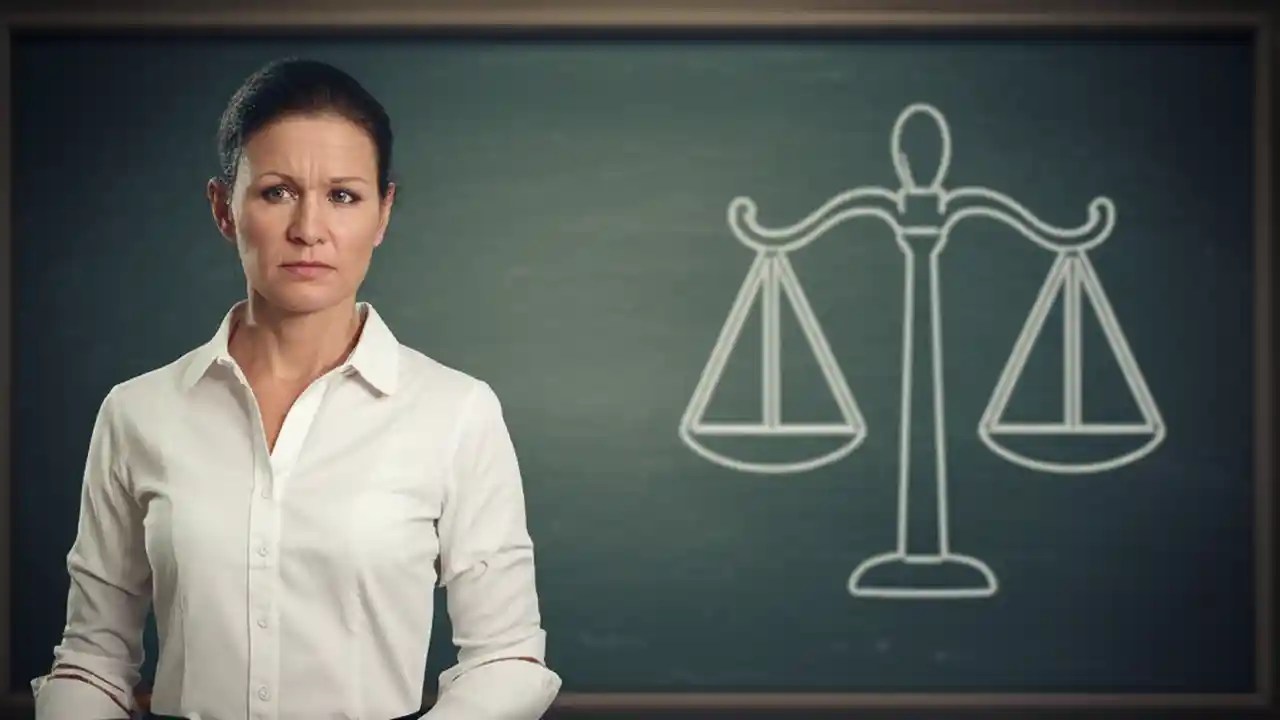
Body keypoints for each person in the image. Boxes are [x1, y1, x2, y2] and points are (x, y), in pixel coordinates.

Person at [30, 57, 561, 720]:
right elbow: (93, 661)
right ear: (225, 209)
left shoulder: (455, 412)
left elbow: (506, 658)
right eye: (277, 191)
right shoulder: (138, 413)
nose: (310, 228)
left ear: (383, 213)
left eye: (343, 195)